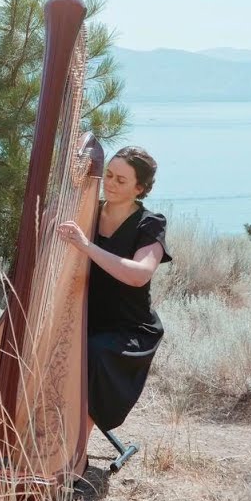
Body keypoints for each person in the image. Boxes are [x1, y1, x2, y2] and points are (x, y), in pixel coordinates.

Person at [57, 145, 171, 433]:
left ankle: (73, 451)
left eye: (121, 180)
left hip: (127, 328)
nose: (110, 183)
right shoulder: (87, 213)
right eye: (108, 175)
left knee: (96, 354)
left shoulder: (150, 224)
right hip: (84, 317)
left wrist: (86, 246)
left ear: (140, 188)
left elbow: (139, 275)